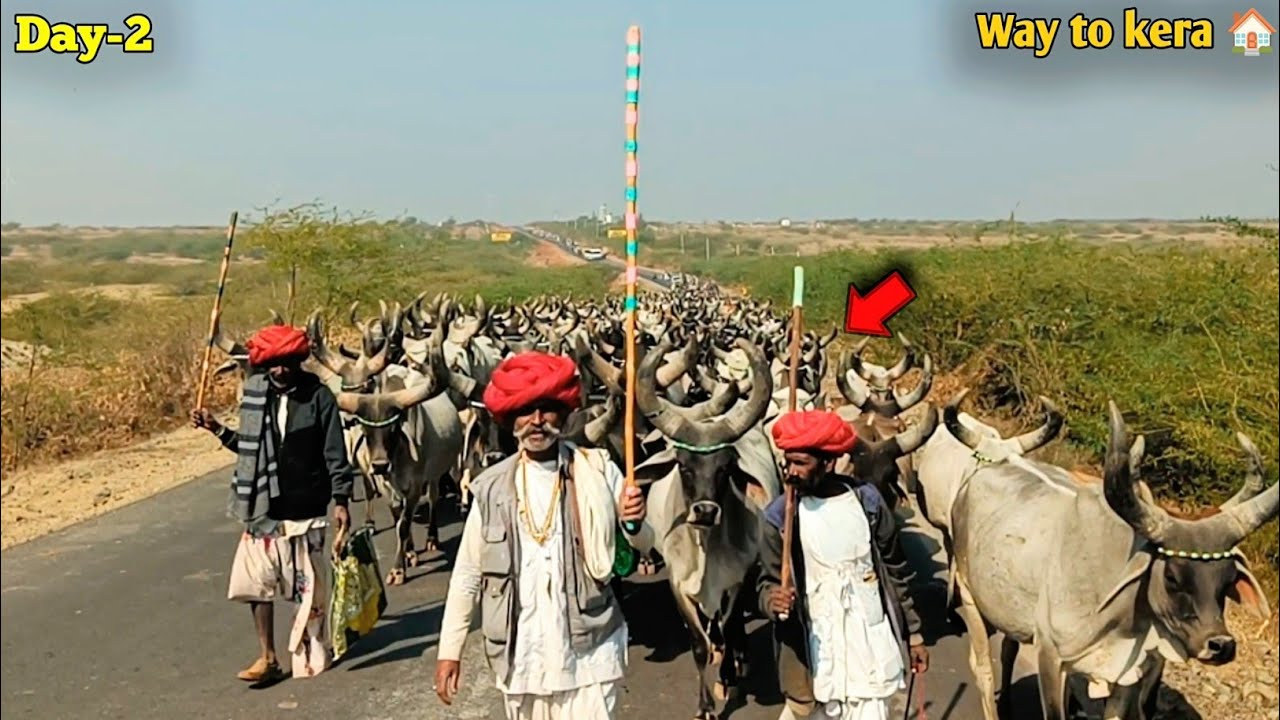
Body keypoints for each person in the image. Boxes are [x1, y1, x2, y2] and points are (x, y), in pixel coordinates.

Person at [434, 350, 653, 719]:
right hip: (523, 660)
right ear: (510, 418)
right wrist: (448, 651)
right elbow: (468, 575)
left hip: (590, 656)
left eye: (546, 409)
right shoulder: (490, 489)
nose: (536, 421)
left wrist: (632, 521)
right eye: (525, 410)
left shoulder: (598, 471)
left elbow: (643, 546)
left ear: (563, 413)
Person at [190, 323, 354, 684]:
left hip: (307, 507)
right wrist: (215, 428)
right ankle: (267, 656)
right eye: (273, 364)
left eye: (286, 363)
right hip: (263, 507)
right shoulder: (256, 394)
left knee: (306, 591)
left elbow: (334, 453)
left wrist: (341, 499)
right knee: (255, 582)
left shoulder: (318, 397)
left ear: (298, 361)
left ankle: (310, 649)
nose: (279, 371)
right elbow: (246, 450)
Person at [757, 409, 928, 720]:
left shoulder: (868, 503)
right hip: (816, 654)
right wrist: (773, 599)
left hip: (869, 644)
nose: (790, 472)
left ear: (828, 463)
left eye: (800, 463)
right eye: (787, 462)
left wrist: (913, 635)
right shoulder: (779, 518)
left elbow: (895, 571)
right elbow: (764, 583)